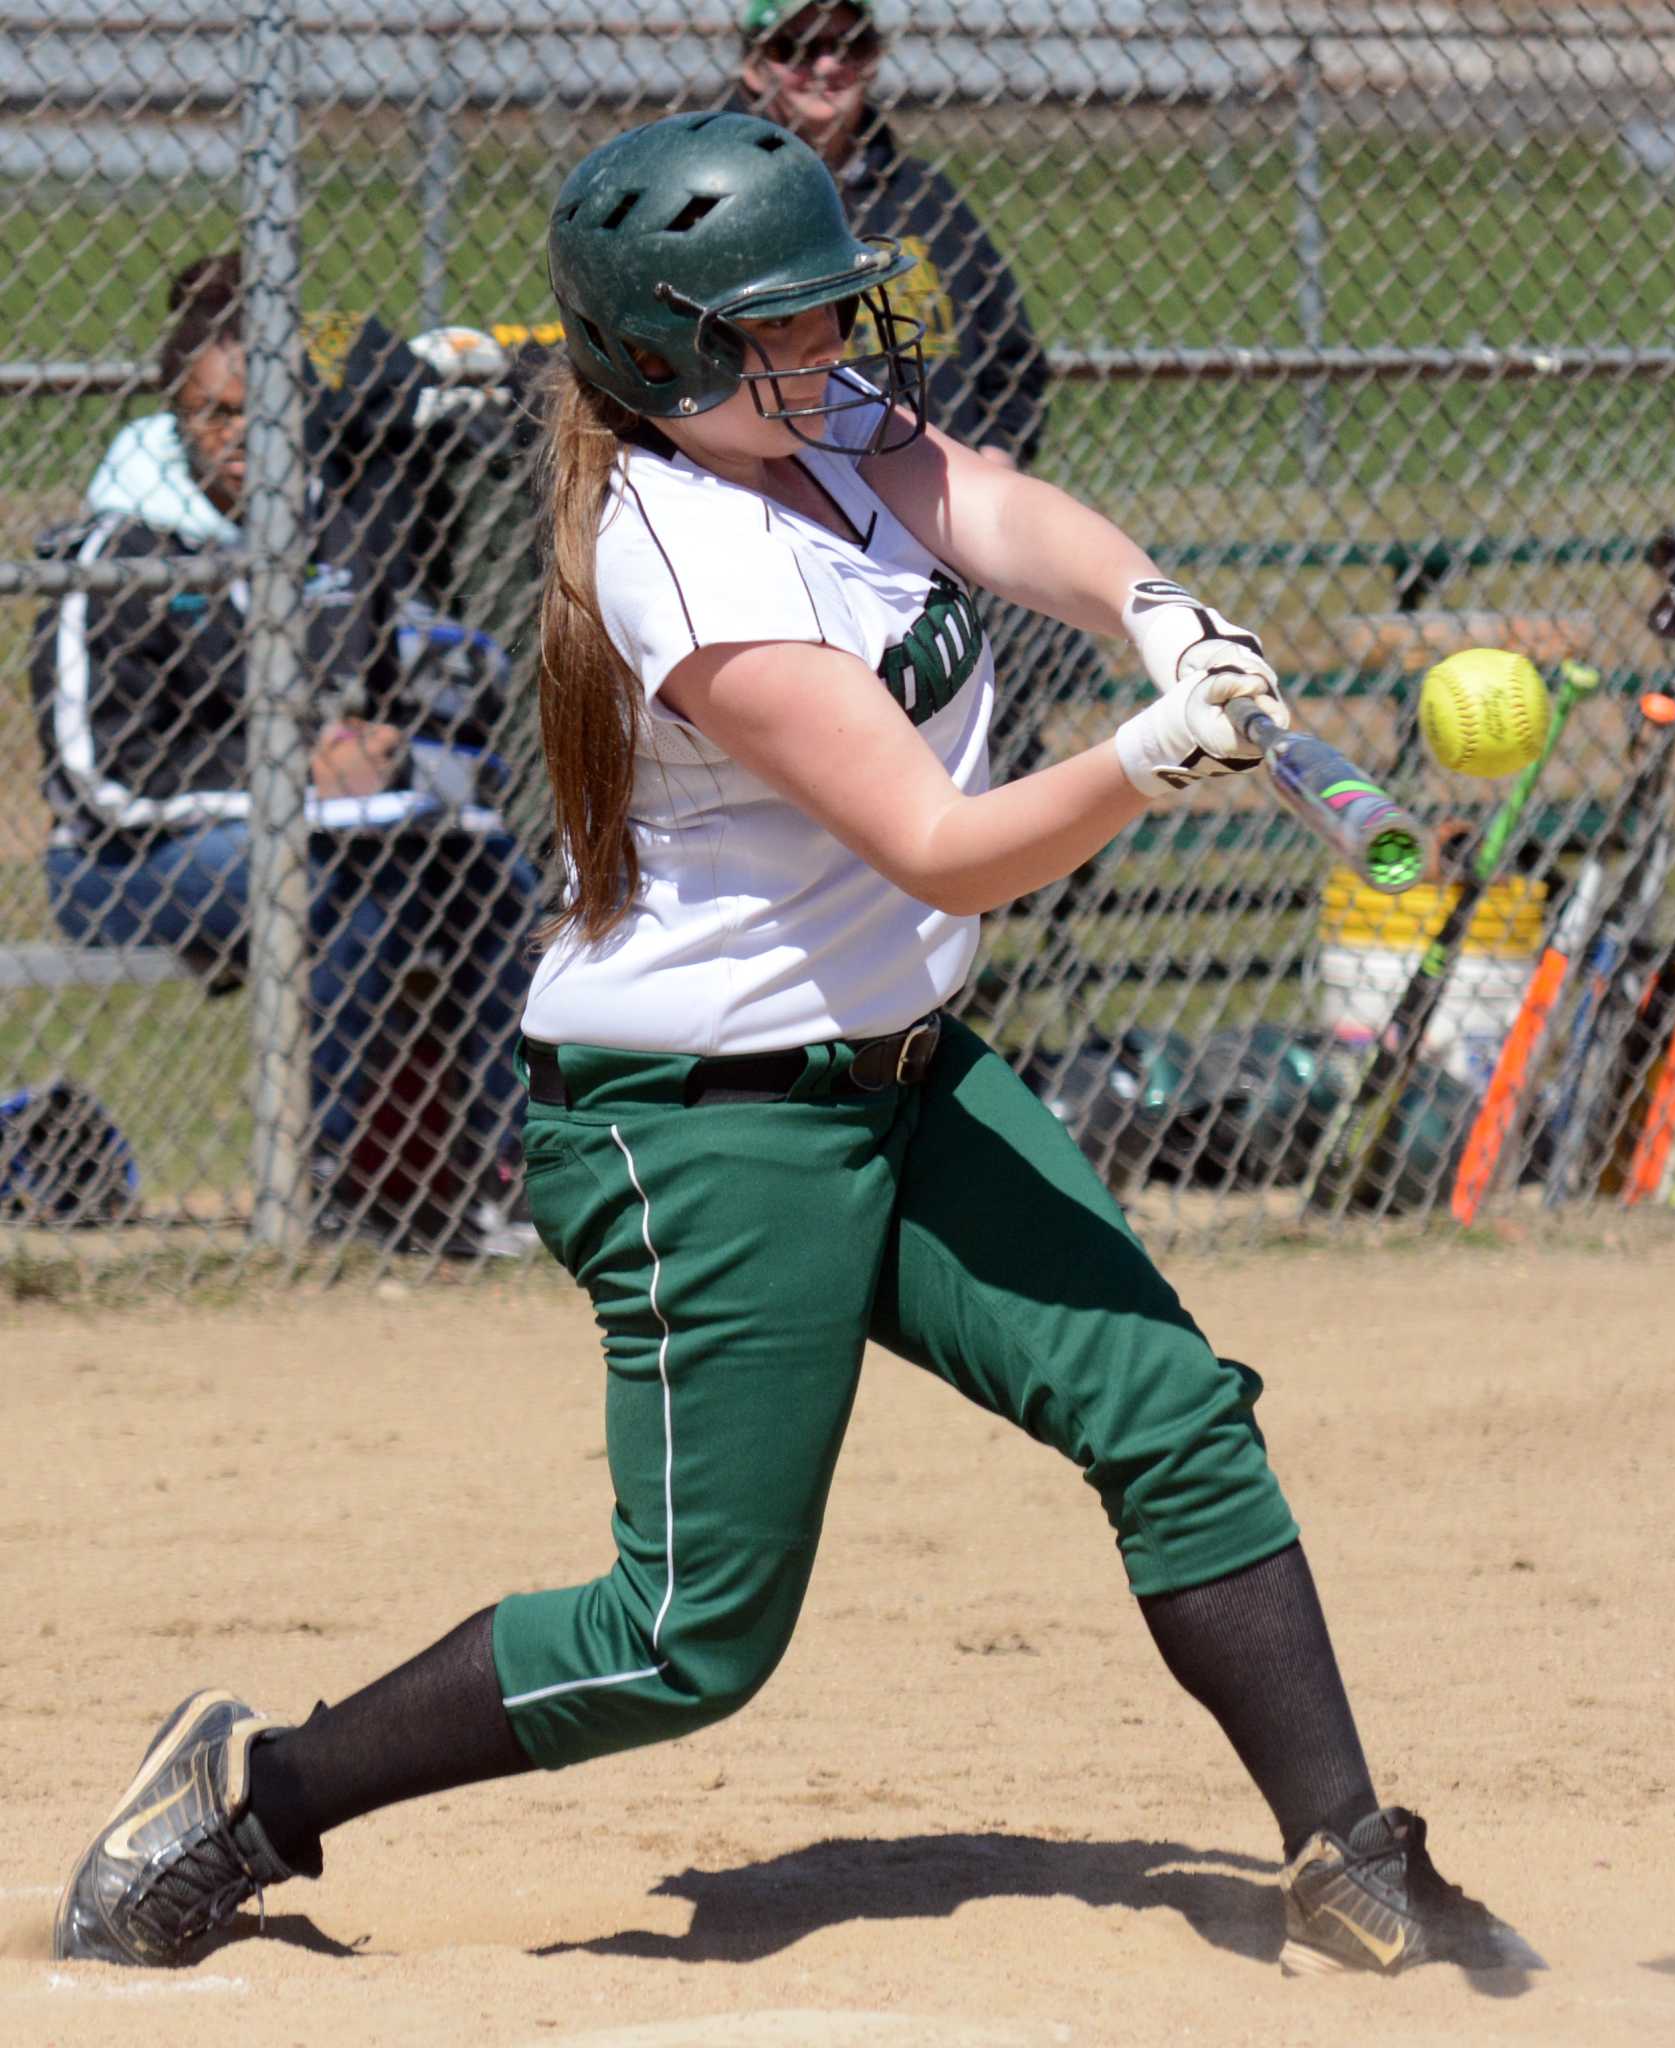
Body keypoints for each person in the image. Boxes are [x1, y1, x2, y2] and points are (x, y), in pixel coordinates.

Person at [50, 114, 1537, 1979]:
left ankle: (1348, 1850)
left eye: (831, 303)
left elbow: (981, 499)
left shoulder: (815, 423)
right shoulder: (678, 551)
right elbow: (934, 836)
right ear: (670, 357)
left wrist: (1160, 610)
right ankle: (249, 1799)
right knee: (687, 1635)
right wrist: (1151, 763)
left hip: (903, 1074)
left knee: (1172, 1415)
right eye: (781, 322)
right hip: (702, 1128)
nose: (830, 343)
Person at [30, 255, 543, 1250]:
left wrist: (392, 742)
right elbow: (99, 779)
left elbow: (393, 673)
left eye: (262, 412)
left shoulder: (316, 537)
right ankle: (331, 1182)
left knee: (485, 865)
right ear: (177, 420)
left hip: (315, 830)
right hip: (122, 861)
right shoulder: (117, 553)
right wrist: (283, 778)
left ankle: (510, 1168)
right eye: (214, 413)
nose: (239, 438)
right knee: (338, 879)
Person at [734, 0, 1100, 779]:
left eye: (850, 44)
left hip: (939, 519)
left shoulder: (922, 200)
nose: (827, 66)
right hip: (790, 524)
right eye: (798, 47)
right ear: (753, 65)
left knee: (1015, 670)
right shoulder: (720, 203)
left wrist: (993, 459)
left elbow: (1011, 353)